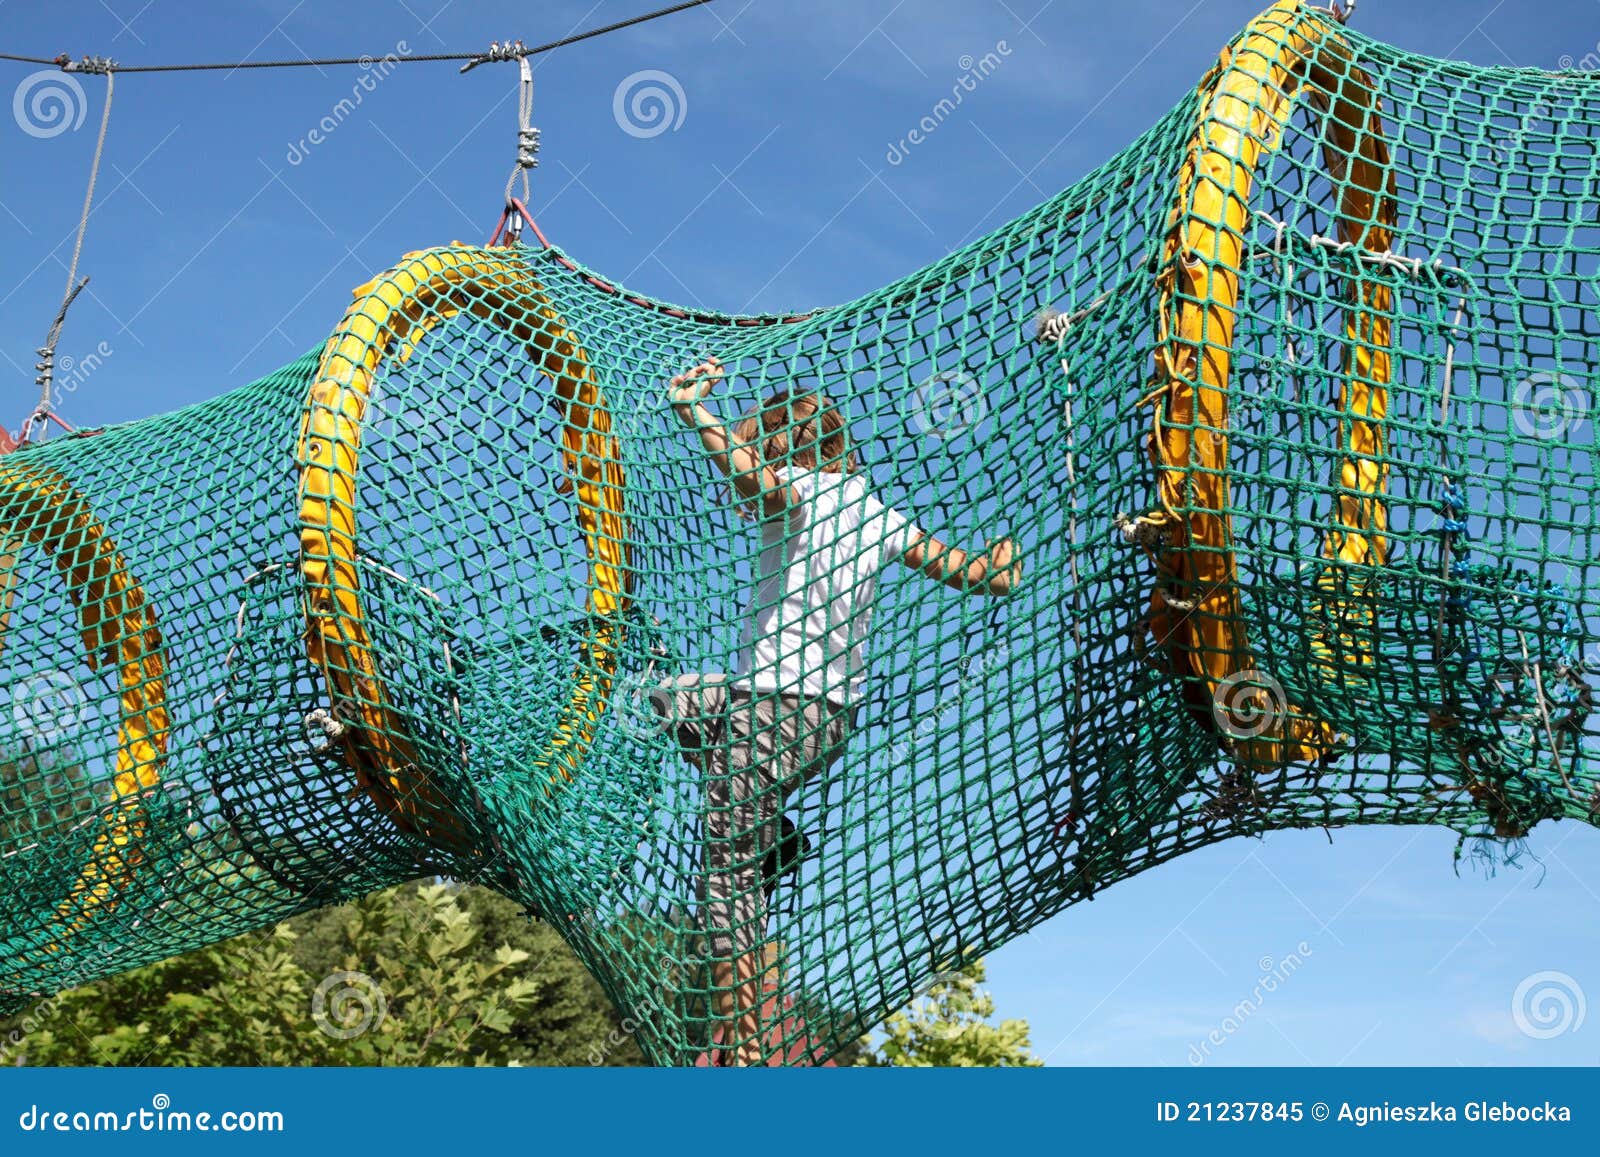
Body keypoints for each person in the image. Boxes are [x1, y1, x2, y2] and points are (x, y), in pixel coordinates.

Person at [656, 357, 1021, 1065]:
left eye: (758, 438)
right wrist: (1005, 550)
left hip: (771, 708)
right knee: (672, 700)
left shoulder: (794, 490)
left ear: (785, 450)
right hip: (826, 720)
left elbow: (752, 480)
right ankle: (774, 833)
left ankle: (749, 1042)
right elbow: (984, 576)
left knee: (725, 873)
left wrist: (691, 410)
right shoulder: (877, 512)